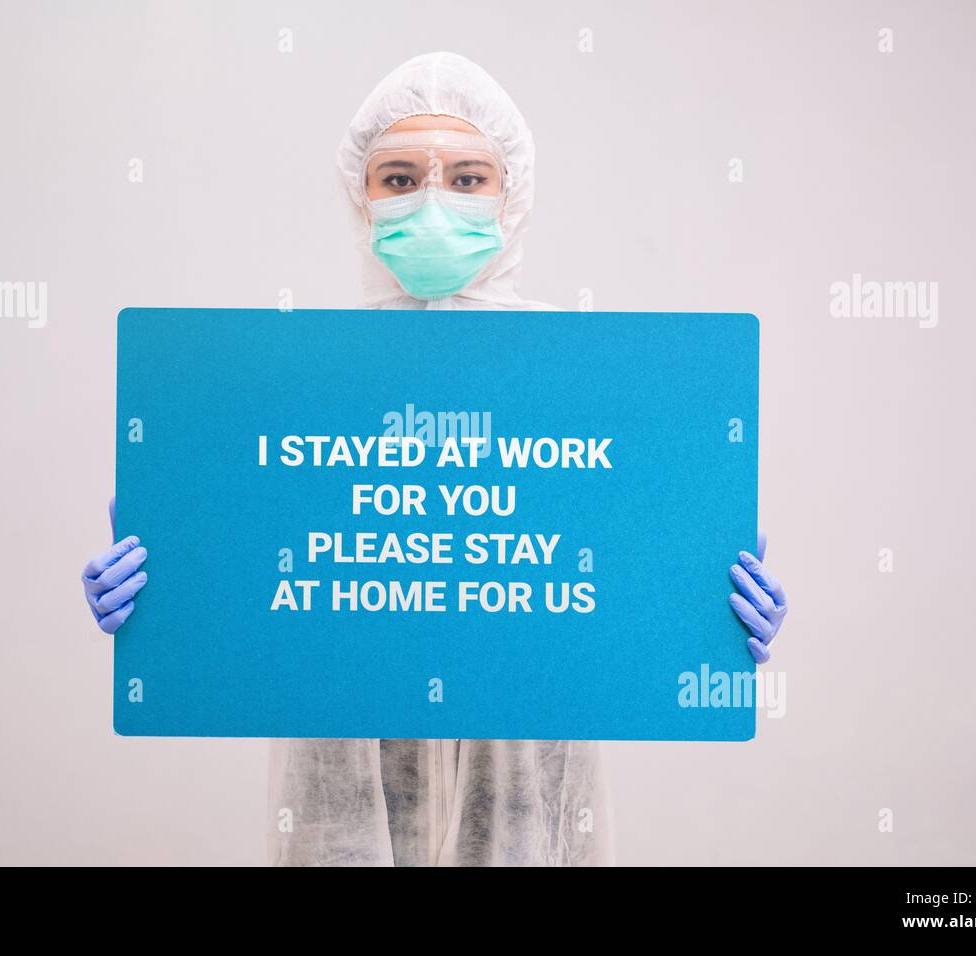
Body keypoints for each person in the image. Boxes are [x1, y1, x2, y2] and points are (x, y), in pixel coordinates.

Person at [81, 52, 789, 866]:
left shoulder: (591, 381)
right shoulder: (292, 386)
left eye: (465, 177)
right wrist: (168, 591)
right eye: (399, 177)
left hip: (532, 771)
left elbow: (612, 567)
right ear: (361, 197)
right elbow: (271, 573)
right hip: (338, 753)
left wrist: (707, 611)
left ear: (510, 193)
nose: (431, 200)